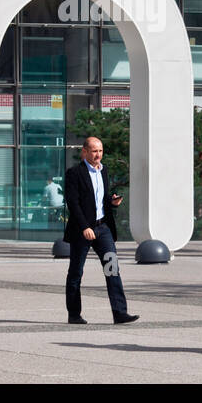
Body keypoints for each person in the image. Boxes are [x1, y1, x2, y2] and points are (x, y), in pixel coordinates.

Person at [63, 136, 138, 325]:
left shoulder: (103, 171)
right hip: (83, 230)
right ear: (85, 152)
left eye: (101, 151)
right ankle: (74, 314)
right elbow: (73, 203)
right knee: (76, 272)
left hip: (103, 227)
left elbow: (101, 199)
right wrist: (84, 227)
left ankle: (120, 313)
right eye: (95, 151)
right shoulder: (74, 173)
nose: (98, 155)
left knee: (112, 269)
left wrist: (111, 202)